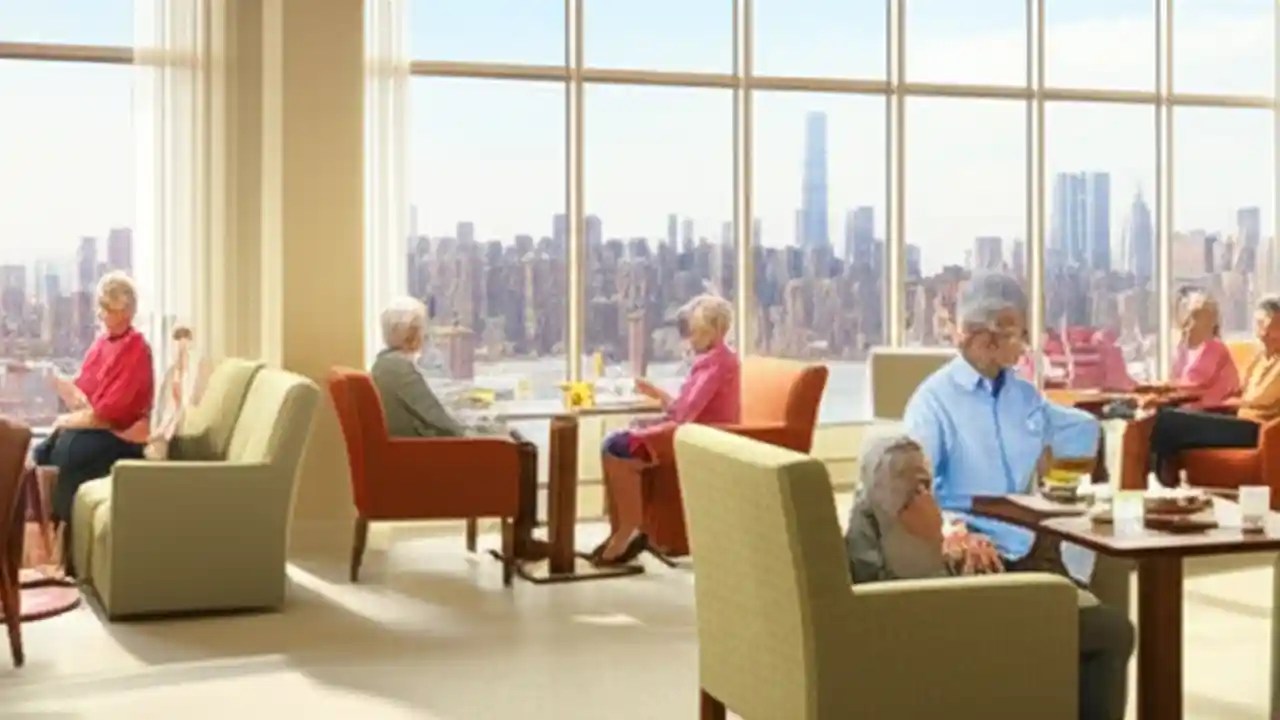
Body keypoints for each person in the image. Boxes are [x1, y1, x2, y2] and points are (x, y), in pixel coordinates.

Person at [845, 432, 1134, 720]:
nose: (924, 494)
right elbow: (915, 602)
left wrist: (952, 543)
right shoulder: (890, 532)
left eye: (926, 484)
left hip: (974, 602)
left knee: (1093, 612)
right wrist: (933, 538)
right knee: (1111, 629)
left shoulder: (873, 517)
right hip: (968, 626)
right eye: (914, 487)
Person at [903, 271, 1100, 581]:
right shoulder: (933, 403)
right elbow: (913, 492)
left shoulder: (1024, 396)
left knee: (1095, 612)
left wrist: (1061, 484)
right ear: (990, 337)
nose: (1025, 345)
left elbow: (1082, 429)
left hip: (1031, 539)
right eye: (1019, 333)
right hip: (975, 547)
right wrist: (951, 531)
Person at [370, 297, 547, 560]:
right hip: (423, 453)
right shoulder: (399, 369)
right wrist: (474, 433)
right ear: (411, 334)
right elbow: (438, 419)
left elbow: (427, 407)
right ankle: (523, 539)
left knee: (507, 435)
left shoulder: (386, 364)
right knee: (524, 448)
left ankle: (523, 536)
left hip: (413, 446)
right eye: (421, 329)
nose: (425, 336)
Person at [592, 294, 741, 566]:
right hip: (692, 429)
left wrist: (658, 397)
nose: (691, 339)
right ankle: (623, 529)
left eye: (697, 333)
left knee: (616, 447)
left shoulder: (718, 364)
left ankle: (629, 529)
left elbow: (685, 412)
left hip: (700, 436)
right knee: (616, 440)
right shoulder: (711, 361)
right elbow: (685, 408)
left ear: (715, 331)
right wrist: (655, 402)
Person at [34, 271, 155, 525]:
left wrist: (65, 421)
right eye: (101, 308)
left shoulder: (137, 350)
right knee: (43, 450)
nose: (101, 315)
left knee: (72, 449)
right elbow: (83, 395)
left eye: (107, 309)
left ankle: (65, 530)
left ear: (125, 312)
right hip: (100, 428)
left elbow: (111, 415)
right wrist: (58, 383)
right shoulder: (101, 344)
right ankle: (44, 527)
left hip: (124, 438)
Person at [1149, 295, 1280, 485]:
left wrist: (1226, 402)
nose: (1264, 332)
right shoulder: (1260, 358)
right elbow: (1240, 391)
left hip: (1257, 430)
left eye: (1271, 327)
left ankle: (1161, 484)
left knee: (1169, 421)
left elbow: (1258, 400)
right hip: (1238, 420)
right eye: (1259, 325)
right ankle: (1166, 482)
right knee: (1166, 419)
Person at [1164, 291, 1240, 409]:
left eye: (1196, 315)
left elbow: (1195, 386)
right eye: (1189, 314)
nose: (1188, 321)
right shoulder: (1183, 349)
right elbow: (1175, 380)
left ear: (1212, 321)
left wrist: (1162, 392)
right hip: (1186, 409)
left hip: (1212, 412)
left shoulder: (1215, 348)